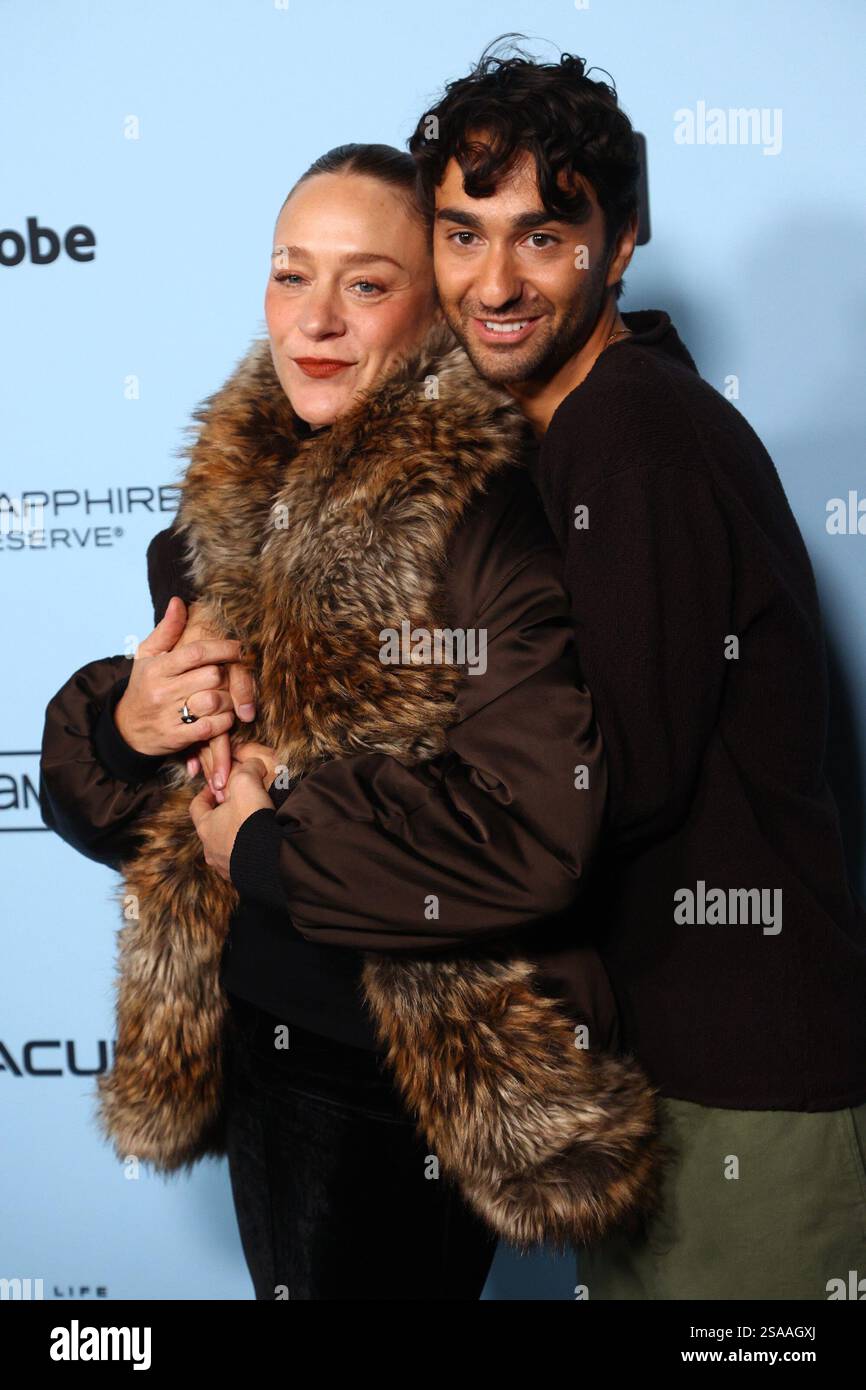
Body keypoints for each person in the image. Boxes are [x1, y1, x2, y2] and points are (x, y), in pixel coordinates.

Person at [40, 143, 663, 1302]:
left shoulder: (484, 516)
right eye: (290, 275)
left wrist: (278, 830)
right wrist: (128, 728)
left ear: (432, 309)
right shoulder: (239, 505)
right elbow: (166, 807)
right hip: (264, 1027)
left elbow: (537, 832)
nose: (315, 319)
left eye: (366, 284)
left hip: (400, 1068)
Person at [400, 38, 866, 1299]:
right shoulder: (569, 435)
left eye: (543, 236)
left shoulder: (629, 431)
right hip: (662, 1075)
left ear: (620, 237)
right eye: (459, 233)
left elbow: (605, 783)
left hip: (738, 1087)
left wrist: (312, 826)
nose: (493, 281)